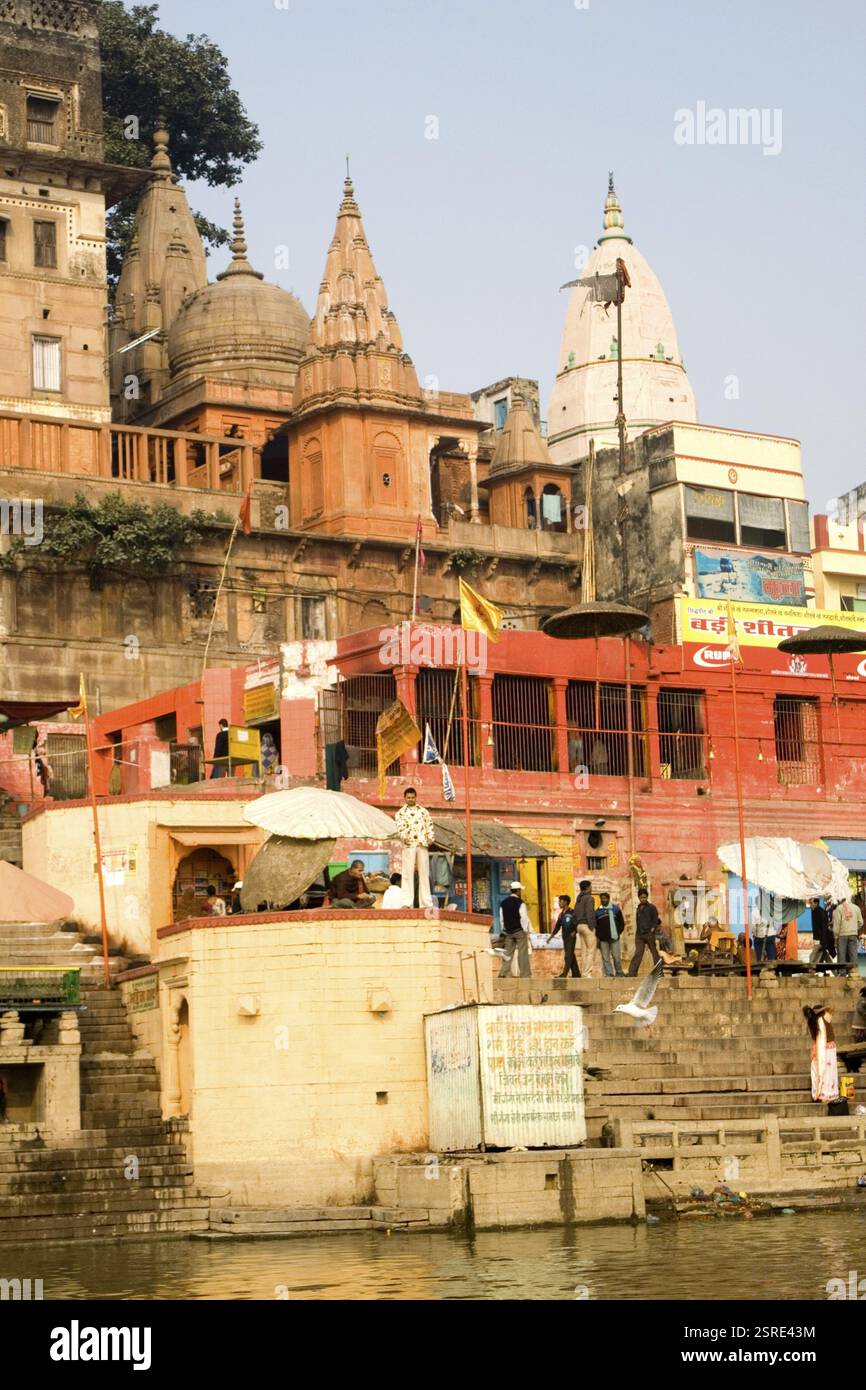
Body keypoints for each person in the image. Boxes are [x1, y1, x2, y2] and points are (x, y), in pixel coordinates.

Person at [394, 787, 434, 909]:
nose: (411, 799)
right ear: (405, 798)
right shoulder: (400, 813)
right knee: (407, 874)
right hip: (409, 844)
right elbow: (399, 828)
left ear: (416, 797)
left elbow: (429, 825)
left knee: (424, 873)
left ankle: (426, 903)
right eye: (408, 797)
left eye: (412, 797)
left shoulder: (423, 812)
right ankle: (407, 903)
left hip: (422, 844)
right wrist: (403, 837)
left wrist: (430, 838)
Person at [803, 1005, 839, 1103]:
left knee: (820, 1071)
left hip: (818, 1048)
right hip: (828, 1049)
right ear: (821, 1011)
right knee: (828, 1072)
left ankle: (821, 1094)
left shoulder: (812, 1021)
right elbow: (833, 1007)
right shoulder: (824, 1017)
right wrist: (824, 1008)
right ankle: (828, 1094)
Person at [498, 881, 531, 978]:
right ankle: (525, 974)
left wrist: (503, 929)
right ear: (518, 891)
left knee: (507, 953)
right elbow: (524, 918)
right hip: (519, 930)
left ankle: (503, 973)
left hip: (508, 931)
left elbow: (501, 918)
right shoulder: (520, 903)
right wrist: (525, 930)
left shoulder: (503, 903)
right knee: (522, 953)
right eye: (520, 890)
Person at [629, 888, 662, 976]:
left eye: (644, 897)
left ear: (647, 897)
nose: (643, 899)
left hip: (649, 934)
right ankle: (632, 973)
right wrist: (637, 934)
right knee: (638, 954)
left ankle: (659, 972)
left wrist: (652, 930)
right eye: (641, 897)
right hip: (639, 935)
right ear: (639, 898)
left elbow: (655, 921)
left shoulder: (652, 907)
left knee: (654, 953)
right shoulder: (638, 908)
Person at [595, 892, 626, 977]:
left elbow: (622, 923)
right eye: (601, 898)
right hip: (603, 939)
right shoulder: (597, 912)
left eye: (604, 898)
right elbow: (596, 926)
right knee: (605, 958)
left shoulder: (616, 909)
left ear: (608, 899)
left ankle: (619, 973)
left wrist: (618, 933)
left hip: (614, 938)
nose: (603, 900)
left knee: (616, 957)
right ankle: (609, 974)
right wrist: (599, 936)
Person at [550, 894, 580, 978]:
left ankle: (564, 973)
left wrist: (575, 931)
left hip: (571, 937)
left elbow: (577, 923)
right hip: (565, 937)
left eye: (560, 901)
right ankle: (576, 974)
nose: (559, 903)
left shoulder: (572, 912)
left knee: (568, 956)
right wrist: (551, 936)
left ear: (566, 902)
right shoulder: (561, 914)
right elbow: (557, 926)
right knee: (571, 955)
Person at [832, 897, 863, 971]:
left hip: (842, 935)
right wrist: (854, 929)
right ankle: (854, 972)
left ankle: (842, 973)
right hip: (853, 934)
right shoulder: (856, 908)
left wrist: (836, 937)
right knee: (853, 954)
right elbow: (861, 922)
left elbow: (837, 925)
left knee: (842, 955)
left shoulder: (839, 908)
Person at [809, 898, 834, 964]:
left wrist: (823, 941)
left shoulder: (821, 912)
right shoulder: (814, 911)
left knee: (813, 956)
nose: (810, 905)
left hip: (823, 939)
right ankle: (835, 972)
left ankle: (811, 970)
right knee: (825, 956)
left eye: (811, 903)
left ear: (816, 903)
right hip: (819, 939)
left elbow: (824, 927)